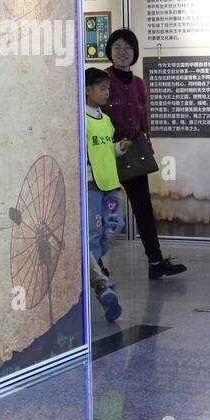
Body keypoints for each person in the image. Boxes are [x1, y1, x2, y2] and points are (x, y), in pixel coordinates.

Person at [104, 29, 187, 280]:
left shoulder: (139, 83)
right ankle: (97, 268)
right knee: (99, 211)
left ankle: (155, 261)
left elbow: (143, 118)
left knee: (143, 208)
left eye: (128, 48)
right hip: (106, 153)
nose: (122, 52)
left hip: (133, 154)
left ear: (135, 53)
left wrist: (146, 146)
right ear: (110, 50)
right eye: (117, 47)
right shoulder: (102, 79)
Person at [85, 68, 126, 322]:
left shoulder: (106, 119)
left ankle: (97, 266)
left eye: (107, 89)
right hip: (91, 183)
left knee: (113, 224)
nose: (106, 93)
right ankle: (99, 278)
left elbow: (106, 150)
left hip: (109, 182)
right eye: (101, 88)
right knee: (91, 232)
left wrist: (119, 148)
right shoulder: (81, 118)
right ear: (87, 90)